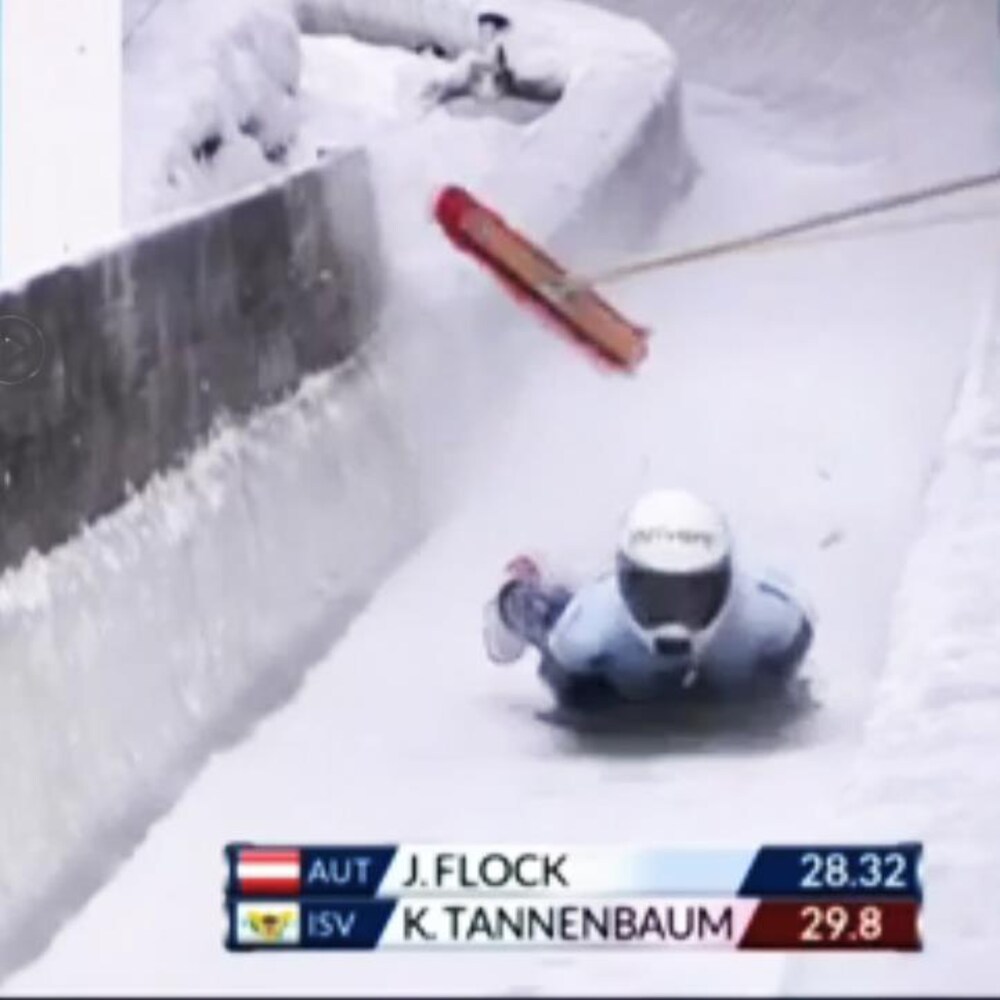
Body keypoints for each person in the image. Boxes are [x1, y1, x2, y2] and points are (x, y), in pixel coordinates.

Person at [483, 489, 814, 714]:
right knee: (537, 614)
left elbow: (788, 679)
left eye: (693, 592)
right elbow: (567, 688)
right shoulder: (585, 633)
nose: (676, 616)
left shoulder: (774, 618)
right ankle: (527, 577)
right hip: (598, 645)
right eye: (658, 595)